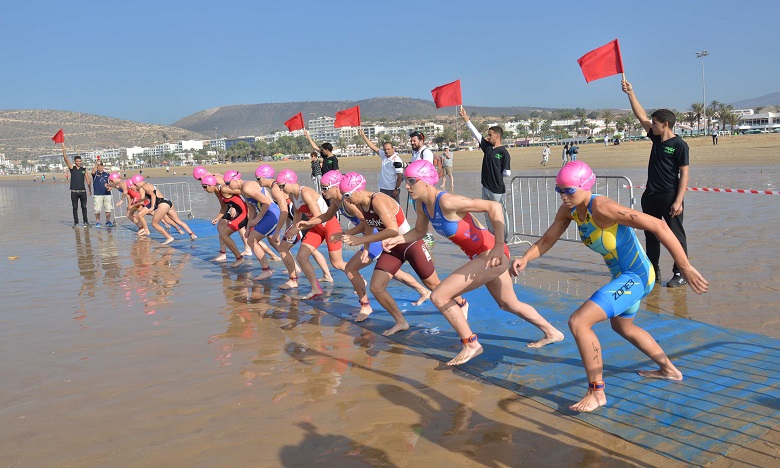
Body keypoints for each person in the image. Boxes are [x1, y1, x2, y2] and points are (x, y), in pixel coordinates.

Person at [510, 161, 708, 412]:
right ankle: (669, 371)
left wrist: (685, 266)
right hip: (622, 278)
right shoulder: (569, 210)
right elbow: (549, 238)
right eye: (558, 189)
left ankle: (597, 392)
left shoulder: (603, 208)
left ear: (585, 186)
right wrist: (526, 258)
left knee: (579, 322)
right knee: (623, 327)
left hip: (636, 276)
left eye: (568, 190)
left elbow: (658, 225)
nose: (563, 195)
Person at [384, 160, 563, 364]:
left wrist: (498, 244)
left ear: (426, 182)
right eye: (406, 180)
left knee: (440, 296)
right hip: (482, 256)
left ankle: (471, 343)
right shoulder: (422, 205)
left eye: (411, 181)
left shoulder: (448, 201)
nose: (406, 185)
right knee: (508, 304)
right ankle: (552, 332)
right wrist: (398, 239)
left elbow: (493, 205)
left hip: (492, 254)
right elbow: (419, 232)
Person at [336, 171, 469, 337]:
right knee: (376, 288)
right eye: (343, 196)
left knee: (434, 285)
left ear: (358, 190)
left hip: (410, 244)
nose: (345, 200)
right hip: (393, 248)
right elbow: (369, 224)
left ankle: (462, 302)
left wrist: (360, 240)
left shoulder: (379, 200)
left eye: (347, 195)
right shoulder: (361, 204)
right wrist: (367, 248)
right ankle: (401, 321)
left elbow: (392, 230)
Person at [301, 170, 432, 321]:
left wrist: (353, 235)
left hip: (376, 236)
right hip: (371, 237)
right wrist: (307, 223)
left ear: (336, 187)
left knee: (351, 269)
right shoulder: (338, 201)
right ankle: (423, 291)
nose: (322, 191)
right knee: (393, 272)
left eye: (325, 187)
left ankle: (365, 305)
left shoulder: (349, 202)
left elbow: (366, 223)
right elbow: (326, 216)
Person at [622, 79, 691, 287]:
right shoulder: (655, 137)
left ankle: (680, 273)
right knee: (651, 236)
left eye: (655, 123)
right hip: (650, 197)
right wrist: (631, 93)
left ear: (665, 124)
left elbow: (684, 175)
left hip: (670, 197)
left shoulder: (679, 145)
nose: (651, 125)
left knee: (676, 237)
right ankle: (653, 271)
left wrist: (679, 201)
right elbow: (640, 115)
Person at [276, 169, 345, 299]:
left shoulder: (305, 192)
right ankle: (315, 288)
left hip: (329, 225)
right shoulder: (292, 196)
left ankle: (360, 279)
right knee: (301, 257)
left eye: (282, 186)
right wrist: (294, 229)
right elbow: (297, 214)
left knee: (337, 263)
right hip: (315, 228)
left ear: (290, 182)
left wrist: (303, 226)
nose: (281, 189)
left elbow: (319, 216)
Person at [459, 106, 511, 243]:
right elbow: (476, 134)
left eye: (490, 135)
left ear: (497, 136)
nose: (488, 137)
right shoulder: (487, 148)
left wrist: (496, 176)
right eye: (487, 135)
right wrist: (466, 119)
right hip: (485, 188)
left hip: (497, 190)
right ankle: (493, 237)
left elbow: (507, 172)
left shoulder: (504, 152)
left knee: (501, 215)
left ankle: (503, 239)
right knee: (488, 214)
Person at [133, 174, 197, 245]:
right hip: (167, 202)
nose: (136, 186)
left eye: (135, 184)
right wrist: (142, 199)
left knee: (154, 223)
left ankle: (169, 238)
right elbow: (152, 194)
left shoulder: (144, 186)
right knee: (178, 221)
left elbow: (153, 195)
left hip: (162, 204)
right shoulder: (149, 184)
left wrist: (152, 206)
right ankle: (192, 234)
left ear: (138, 182)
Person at [358, 128, 404, 202]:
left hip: (392, 189)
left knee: (394, 209)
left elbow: (400, 176)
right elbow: (373, 147)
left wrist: (397, 189)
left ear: (393, 149)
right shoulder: (384, 155)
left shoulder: (397, 160)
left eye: (388, 149)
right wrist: (363, 136)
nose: (386, 151)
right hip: (383, 188)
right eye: (385, 149)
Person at [62, 151, 91, 226]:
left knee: (84, 207)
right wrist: (63, 150)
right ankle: (76, 222)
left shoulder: (83, 170)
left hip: (83, 191)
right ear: (75, 162)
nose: (79, 162)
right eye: (77, 161)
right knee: (75, 207)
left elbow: (87, 180)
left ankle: (85, 221)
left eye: (80, 161)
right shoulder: (72, 168)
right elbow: (66, 159)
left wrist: (90, 190)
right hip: (74, 192)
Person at [91, 162, 113, 227]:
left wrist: (110, 187)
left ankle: (108, 221)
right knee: (97, 209)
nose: (100, 167)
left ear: (103, 167)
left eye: (101, 166)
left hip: (107, 194)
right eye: (99, 166)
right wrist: (96, 164)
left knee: (108, 208)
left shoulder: (107, 173)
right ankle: (98, 222)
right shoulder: (95, 174)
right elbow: (92, 172)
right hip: (97, 194)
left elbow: (111, 182)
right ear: (97, 167)